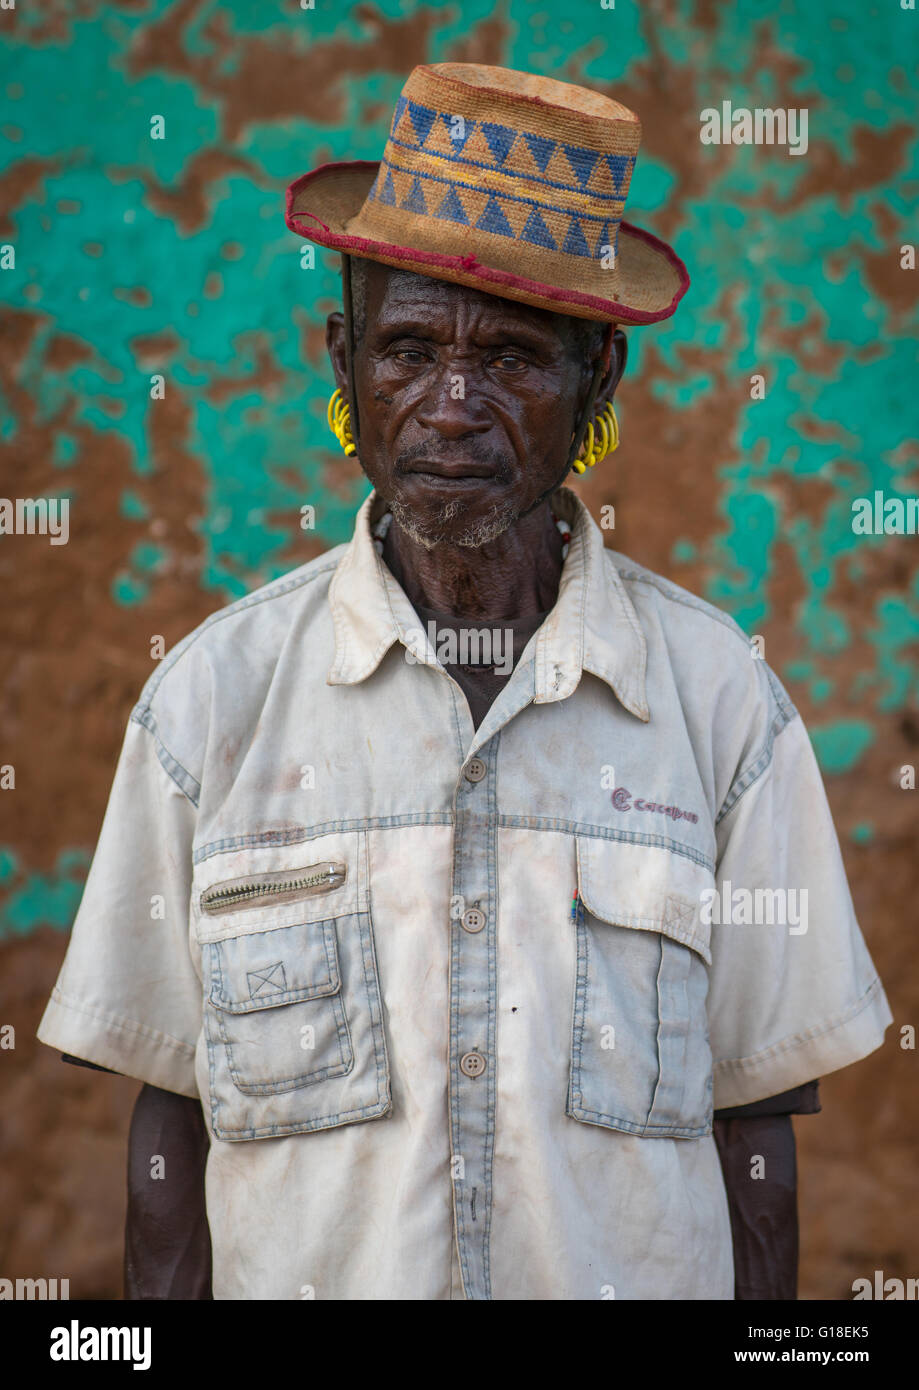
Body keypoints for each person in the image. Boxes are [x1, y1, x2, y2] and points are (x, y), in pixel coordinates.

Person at [38, 63, 891, 1301]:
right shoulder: (209, 706)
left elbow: (755, 1127)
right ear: (343, 367)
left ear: (600, 379)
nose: (450, 407)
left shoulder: (721, 708)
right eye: (405, 350)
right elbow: (170, 1126)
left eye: (510, 357)